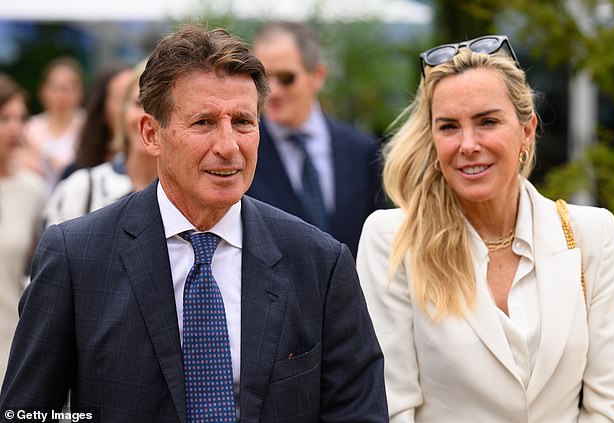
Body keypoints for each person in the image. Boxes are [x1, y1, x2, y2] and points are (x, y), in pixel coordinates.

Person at [0, 25, 388, 423]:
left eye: (243, 121)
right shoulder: (77, 258)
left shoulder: (319, 263)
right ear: (151, 134)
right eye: (204, 122)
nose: (228, 146)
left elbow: (358, 412)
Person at [356, 35, 614, 422]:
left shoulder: (592, 234)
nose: (468, 144)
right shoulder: (392, 240)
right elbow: (391, 407)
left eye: (487, 121)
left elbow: (610, 406)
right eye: (449, 127)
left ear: (527, 131)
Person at [248, 21, 386, 257]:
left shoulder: (362, 150)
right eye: (263, 78)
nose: (273, 91)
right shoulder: (242, 152)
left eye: (286, 77)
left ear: (318, 75)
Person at [44, 60, 156, 226]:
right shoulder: (81, 189)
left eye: (159, 108)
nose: (146, 118)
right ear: (123, 111)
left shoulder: (189, 196)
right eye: (138, 104)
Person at [0, 74, 47, 384]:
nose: (16, 128)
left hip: (11, 345)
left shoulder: (33, 190)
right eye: (5, 118)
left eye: (21, 119)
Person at [58, 63, 134, 181]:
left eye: (141, 100)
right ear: (102, 107)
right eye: (123, 99)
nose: (134, 111)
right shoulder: (77, 177)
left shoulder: (159, 176)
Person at [20, 56, 85, 193]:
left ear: (80, 92)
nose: (61, 96)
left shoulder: (88, 126)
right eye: (55, 88)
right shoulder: (28, 128)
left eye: (67, 88)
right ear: (42, 91)